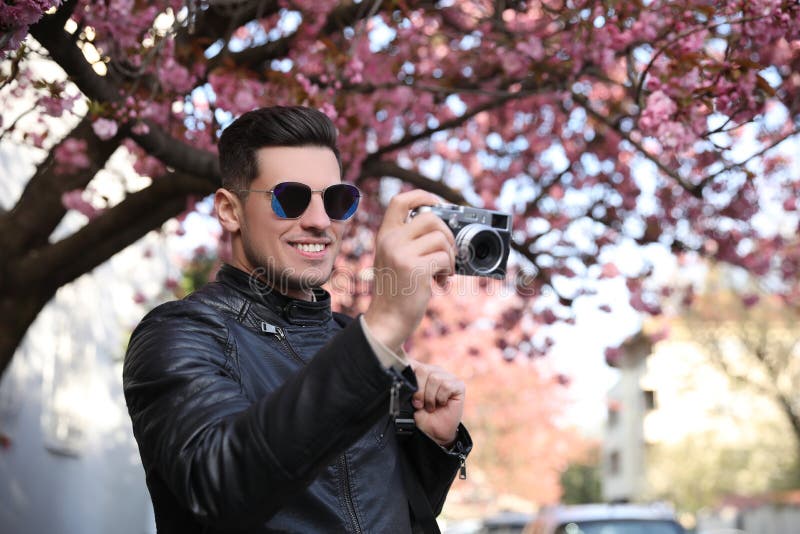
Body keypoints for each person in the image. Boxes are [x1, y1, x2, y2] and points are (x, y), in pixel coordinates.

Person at [123, 105, 472, 534]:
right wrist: (379, 332)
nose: (319, 221)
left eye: (336, 200)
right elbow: (220, 488)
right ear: (230, 210)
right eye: (290, 198)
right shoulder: (180, 334)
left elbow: (384, 513)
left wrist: (432, 444)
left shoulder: (351, 339)